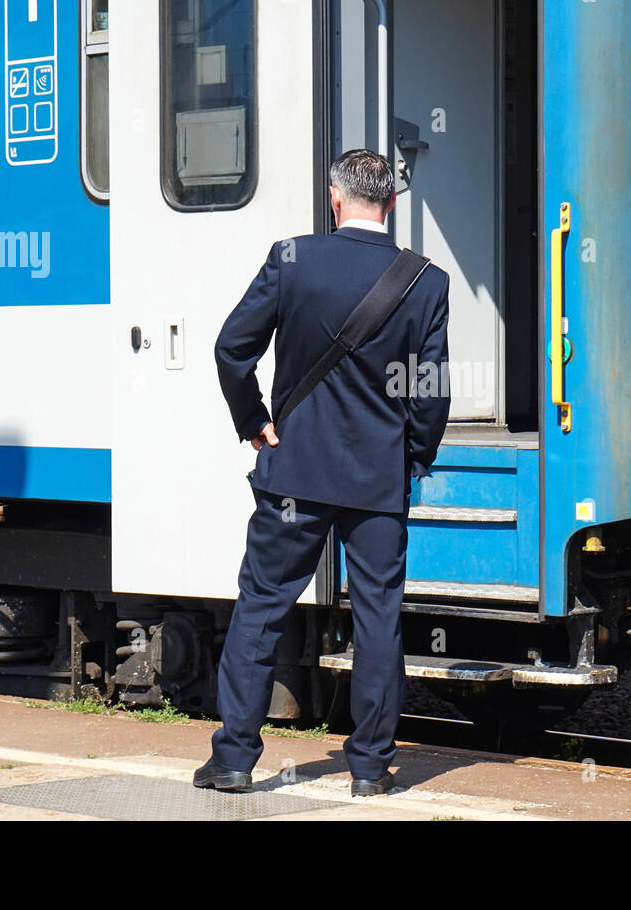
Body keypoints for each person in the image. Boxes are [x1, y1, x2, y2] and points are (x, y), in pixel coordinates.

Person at [195, 149, 450, 797]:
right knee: (377, 618)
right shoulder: (424, 281)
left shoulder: (293, 260)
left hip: (293, 477)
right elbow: (430, 393)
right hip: (377, 485)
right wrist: (412, 457)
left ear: (336, 198)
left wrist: (254, 420)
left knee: (262, 607)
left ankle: (233, 758)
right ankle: (369, 768)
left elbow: (231, 349)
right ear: (391, 203)